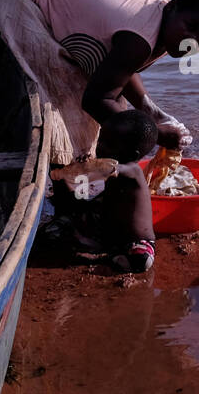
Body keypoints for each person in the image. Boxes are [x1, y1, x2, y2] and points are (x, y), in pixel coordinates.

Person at [0, 0, 199, 255]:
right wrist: (152, 136)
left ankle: (75, 188)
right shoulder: (141, 34)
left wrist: (154, 114)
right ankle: (69, 210)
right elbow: (95, 99)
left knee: (107, 107)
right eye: (191, 28)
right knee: (67, 94)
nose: (193, 41)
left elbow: (121, 67)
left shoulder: (160, 25)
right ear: (173, 7)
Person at [52, 109, 160, 272]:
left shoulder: (132, 171)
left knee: (141, 257)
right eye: (100, 141)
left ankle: (113, 257)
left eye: (108, 144)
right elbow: (88, 192)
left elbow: (113, 169)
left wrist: (90, 169)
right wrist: (77, 171)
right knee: (69, 217)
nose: (100, 147)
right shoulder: (113, 167)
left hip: (136, 241)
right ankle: (109, 253)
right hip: (112, 233)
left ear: (132, 153)